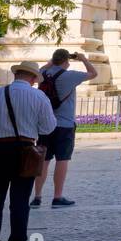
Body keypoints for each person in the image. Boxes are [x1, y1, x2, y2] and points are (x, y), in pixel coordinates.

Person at [0, 61, 57, 241]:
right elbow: (48, 127)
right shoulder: (38, 96)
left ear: (16, 75)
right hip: (25, 150)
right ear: (33, 78)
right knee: (20, 200)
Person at [32, 48, 97, 208]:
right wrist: (83, 59)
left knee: (43, 160)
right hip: (64, 124)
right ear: (66, 61)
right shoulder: (70, 75)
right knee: (62, 160)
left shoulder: (42, 73)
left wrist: (52, 62)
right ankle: (57, 196)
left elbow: (46, 67)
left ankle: (37, 197)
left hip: (45, 124)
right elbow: (93, 73)